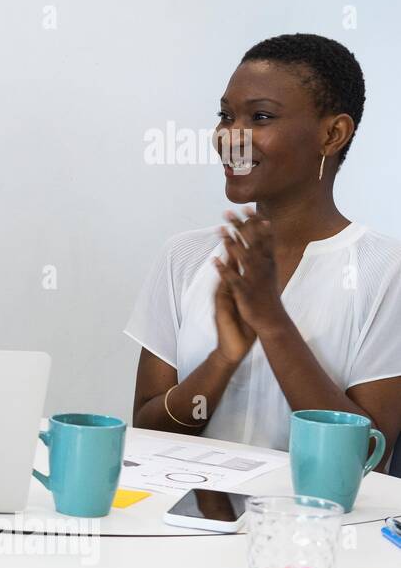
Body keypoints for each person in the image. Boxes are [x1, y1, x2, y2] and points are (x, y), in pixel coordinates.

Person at [126, 33, 401, 462]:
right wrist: (224, 358)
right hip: (189, 522)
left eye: (260, 117)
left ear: (333, 134)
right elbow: (147, 434)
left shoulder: (385, 270)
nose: (230, 137)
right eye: (225, 116)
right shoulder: (185, 257)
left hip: (318, 525)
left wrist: (272, 325)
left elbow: (367, 457)